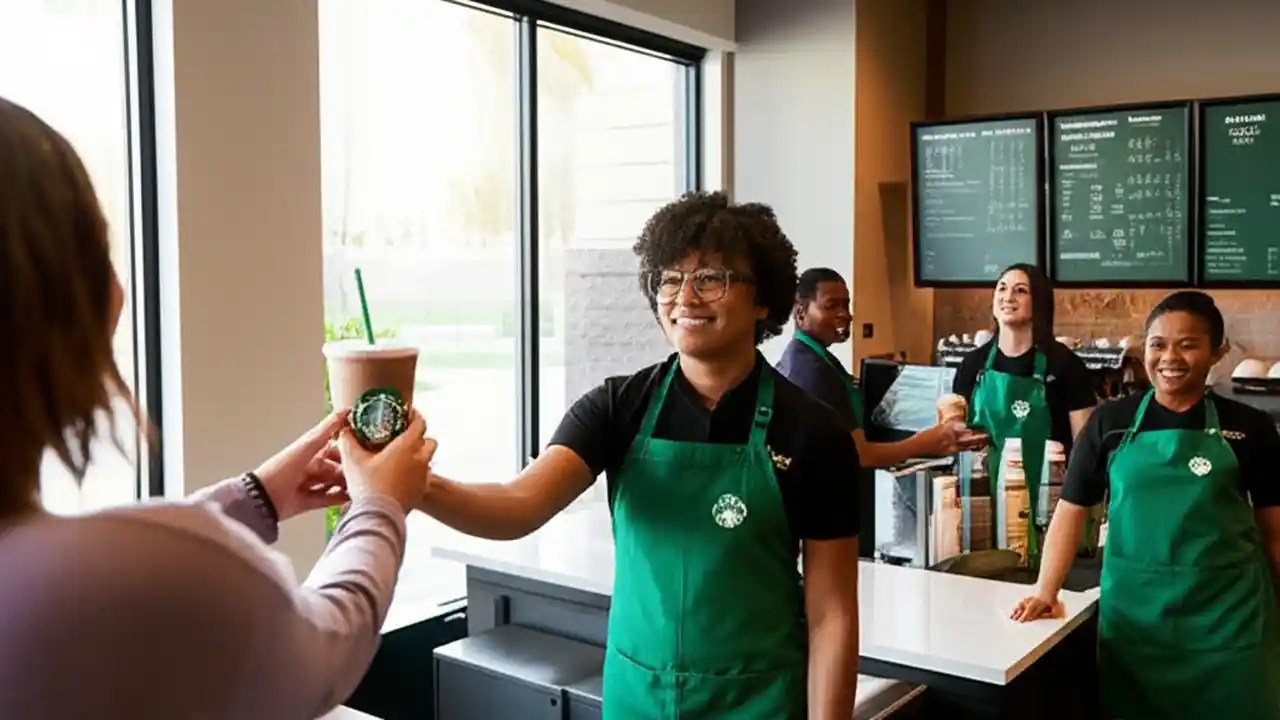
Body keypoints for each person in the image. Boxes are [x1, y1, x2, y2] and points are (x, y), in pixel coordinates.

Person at [0, 96, 435, 718]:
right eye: (95, 258)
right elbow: (324, 649)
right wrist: (380, 507)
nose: (119, 295)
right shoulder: (131, 581)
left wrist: (254, 497)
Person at [417, 192, 861, 719]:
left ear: (764, 298)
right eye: (669, 280)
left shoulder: (813, 431)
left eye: (710, 279)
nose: (684, 298)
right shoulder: (618, 408)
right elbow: (519, 505)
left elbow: (832, 614)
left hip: (759, 701)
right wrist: (418, 487)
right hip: (638, 699)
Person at [1012, 291, 1280, 719]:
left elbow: (1275, 533)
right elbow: (1071, 508)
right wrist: (1046, 590)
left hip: (1230, 624)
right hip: (1137, 625)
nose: (1169, 357)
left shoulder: (1249, 428)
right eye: (1157, 344)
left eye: (1188, 344)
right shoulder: (1111, 422)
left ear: (1218, 352)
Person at [952, 263, 1096, 561]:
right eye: (1001, 288)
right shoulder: (973, 365)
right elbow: (955, 438)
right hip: (983, 506)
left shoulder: (1064, 366)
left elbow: (1086, 447)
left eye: (1020, 290)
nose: (1008, 297)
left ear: (1040, 302)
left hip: (1050, 509)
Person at [777, 267, 981, 467]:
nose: (844, 315)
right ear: (801, 313)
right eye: (831, 306)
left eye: (846, 306)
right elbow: (860, 455)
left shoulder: (808, 356)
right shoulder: (812, 370)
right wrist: (927, 443)